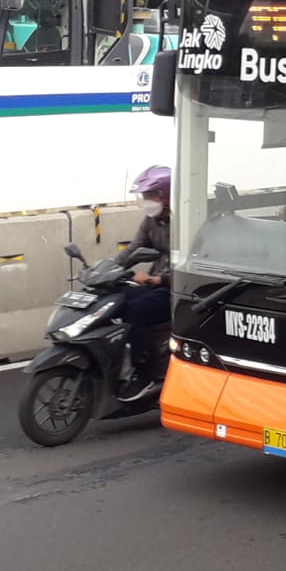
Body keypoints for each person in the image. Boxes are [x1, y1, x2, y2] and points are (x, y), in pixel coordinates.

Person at [120, 164, 172, 399]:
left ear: (165, 194)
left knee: (134, 310)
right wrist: (107, 270)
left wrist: (158, 278)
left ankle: (145, 371)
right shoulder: (151, 221)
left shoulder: (186, 222)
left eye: (149, 196)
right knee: (117, 299)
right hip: (155, 283)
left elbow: (191, 263)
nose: (146, 201)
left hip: (175, 289)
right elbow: (132, 250)